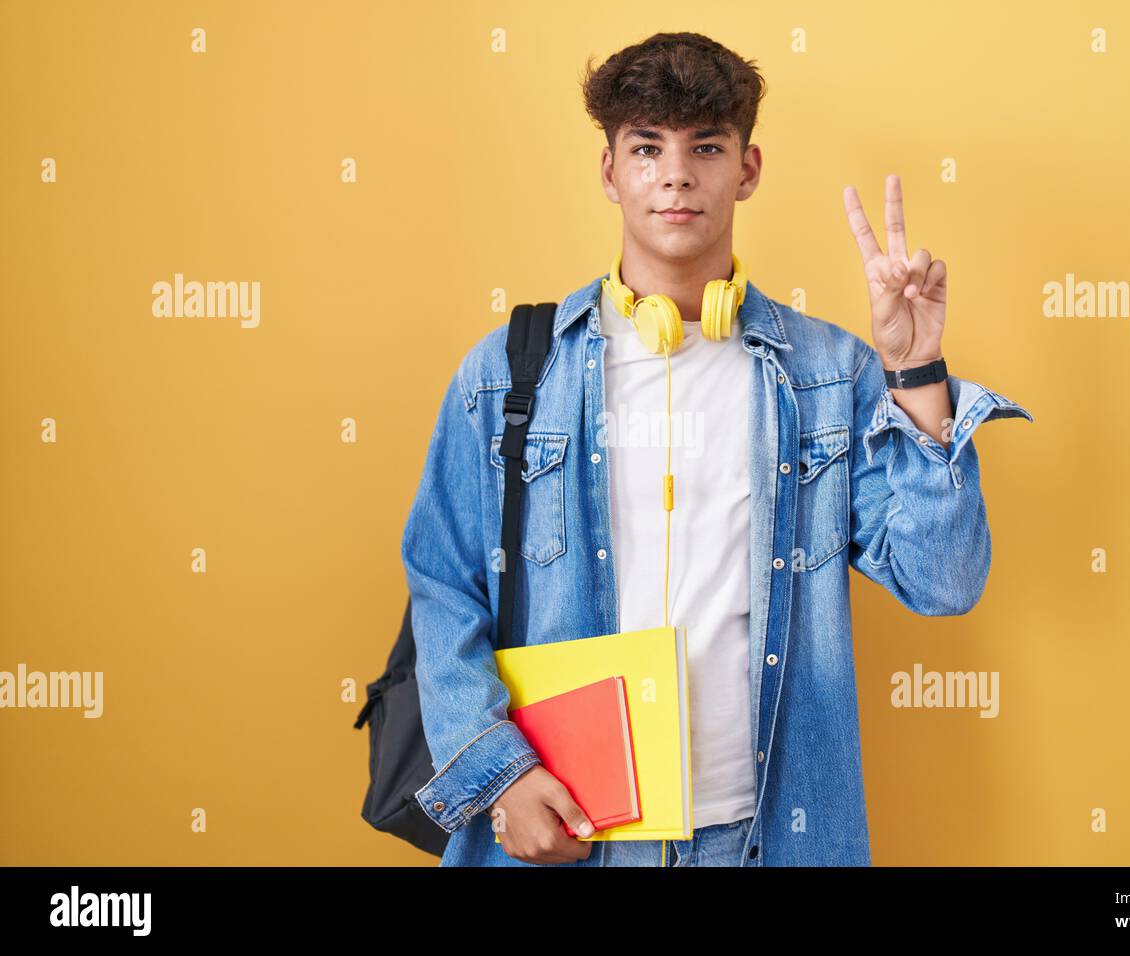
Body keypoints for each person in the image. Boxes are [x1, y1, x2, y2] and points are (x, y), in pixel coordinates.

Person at [400, 31, 1032, 867]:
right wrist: (500, 775)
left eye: (704, 146)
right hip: (573, 833)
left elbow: (943, 582)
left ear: (748, 168)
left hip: (766, 835)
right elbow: (444, 585)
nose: (675, 174)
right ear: (609, 171)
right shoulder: (511, 373)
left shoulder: (827, 374)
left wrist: (914, 371)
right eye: (646, 147)